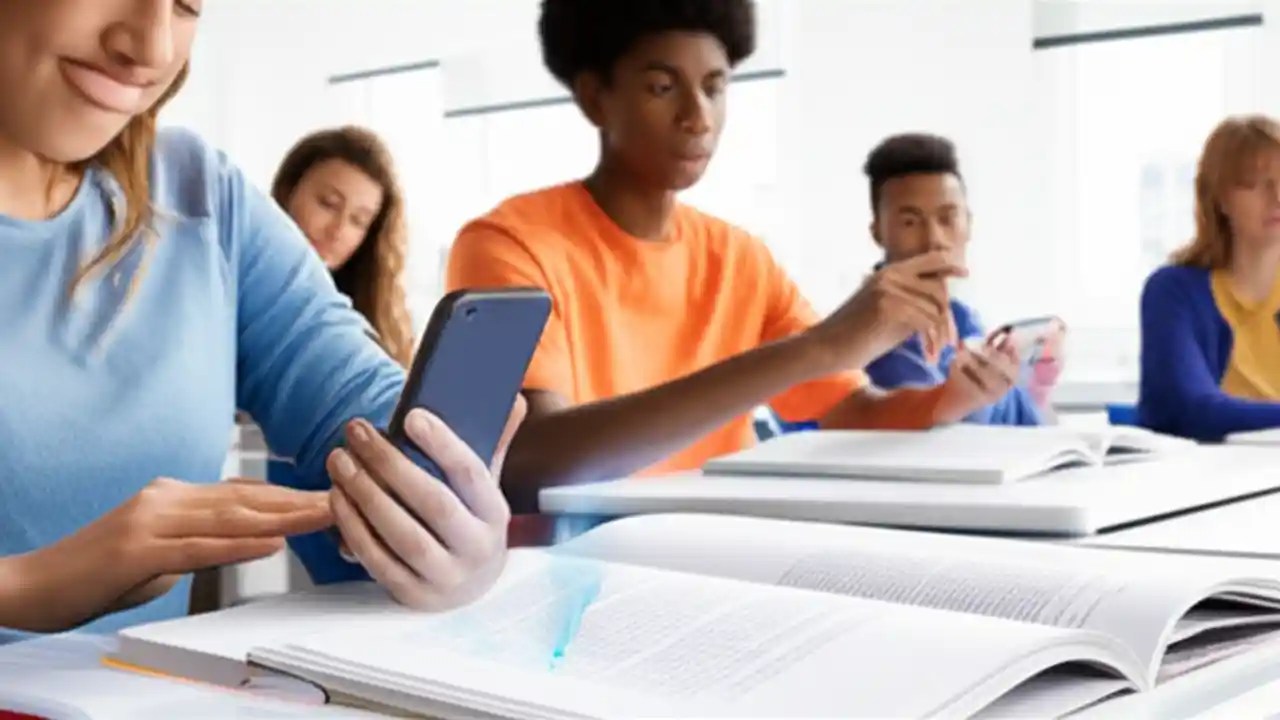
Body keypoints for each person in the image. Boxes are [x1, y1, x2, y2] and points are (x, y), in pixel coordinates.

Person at [0, 0, 517, 636]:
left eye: (188, 4)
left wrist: (446, 512)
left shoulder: (199, 194)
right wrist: (27, 586)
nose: (155, 47)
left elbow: (358, 404)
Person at [446, 0, 1017, 514]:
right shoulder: (506, 246)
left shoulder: (740, 257)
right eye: (663, 87)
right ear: (596, 96)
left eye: (715, 87)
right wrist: (820, 347)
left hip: (727, 555)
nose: (699, 117)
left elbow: (853, 410)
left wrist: (950, 399)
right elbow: (528, 465)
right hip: (575, 571)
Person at [861, 133, 1064, 425]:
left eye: (947, 218)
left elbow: (1026, 427)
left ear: (968, 224)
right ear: (877, 231)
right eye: (910, 222)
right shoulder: (867, 338)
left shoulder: (964, 320)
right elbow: (933, 440)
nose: (934, 240)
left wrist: (1036, 383)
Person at [1138, 114, 1280, 440]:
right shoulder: (1173, 292)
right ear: (1220, 198)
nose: (1278, 197)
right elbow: (1193, 410)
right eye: (1256, 184)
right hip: (1208, 480)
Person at [271, 126, 414, 367]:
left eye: (358, 221)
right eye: (328, 204)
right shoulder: (235, 285)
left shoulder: (371, 323)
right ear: (288, 191)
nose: (337, 231)